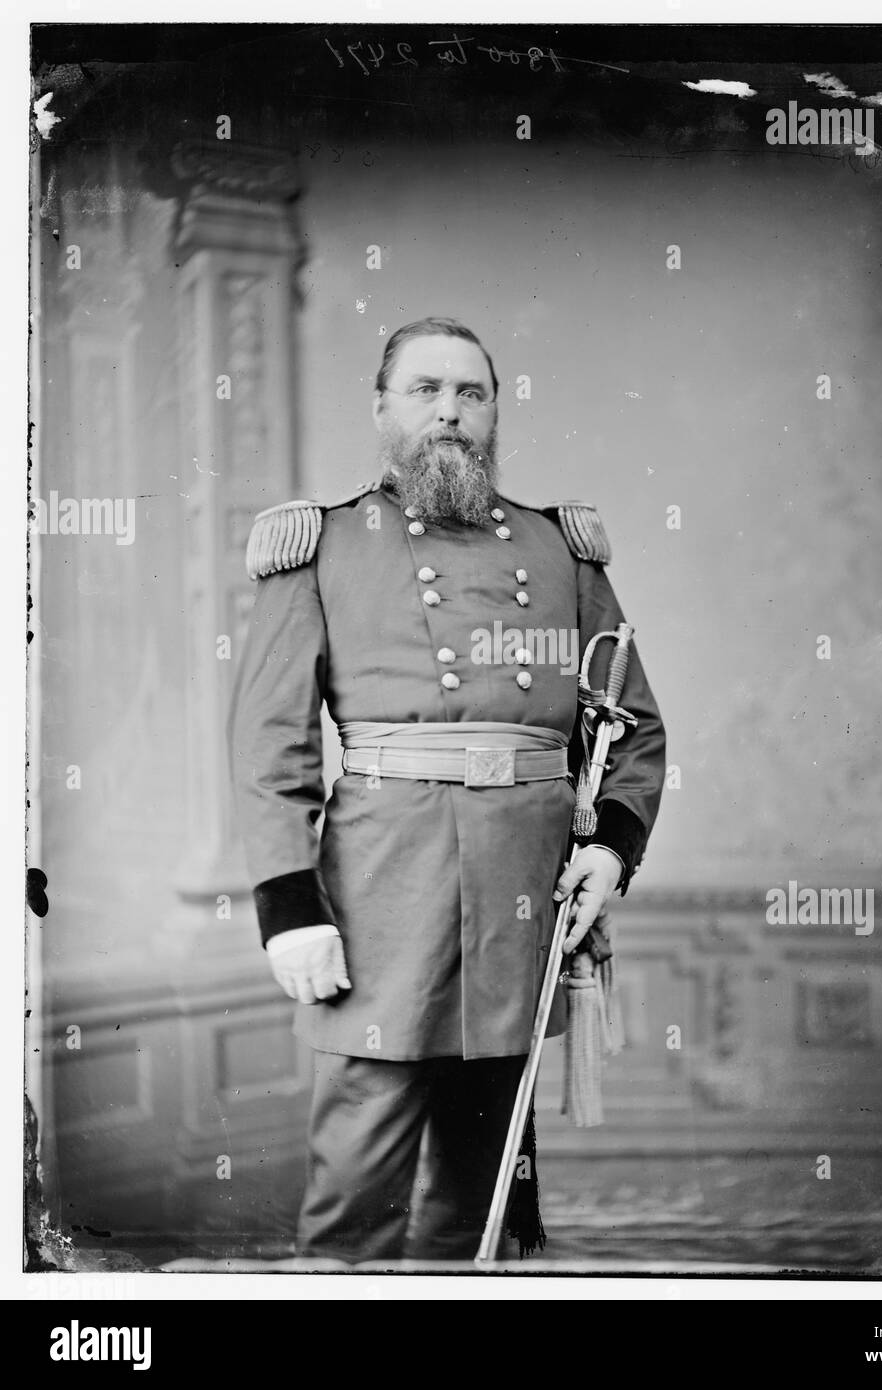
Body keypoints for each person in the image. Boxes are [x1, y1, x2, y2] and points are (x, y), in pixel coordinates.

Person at [229, 317, 665, 1264]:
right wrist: (288, 907)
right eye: (425, 390)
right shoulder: (323, 546)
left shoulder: (561, 552)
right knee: (357, 1193)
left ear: (496, 411)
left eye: (471, 394)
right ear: (382, 408)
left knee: (488, 1195)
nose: (450, 413)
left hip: (522, 898)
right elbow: (271, 749)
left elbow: (632, 726)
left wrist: (608, 850)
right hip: (385, 895)